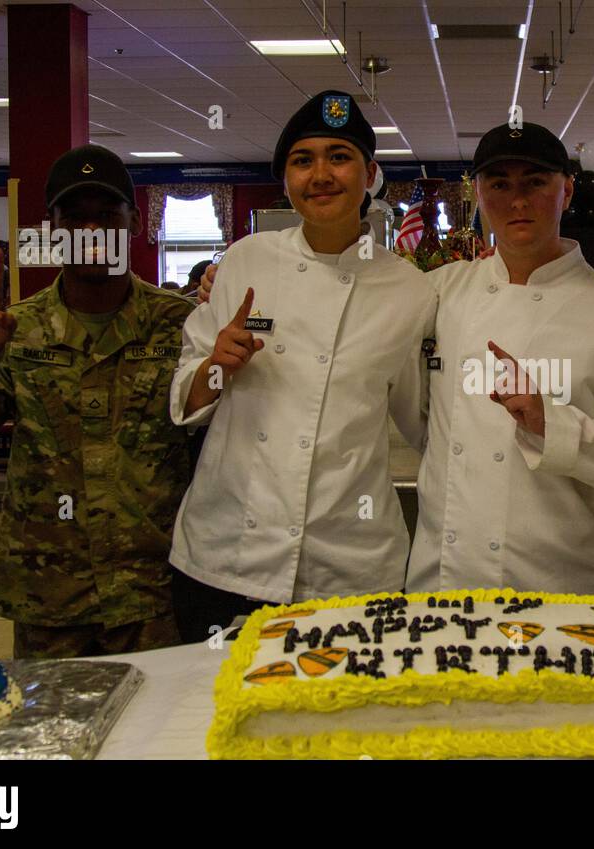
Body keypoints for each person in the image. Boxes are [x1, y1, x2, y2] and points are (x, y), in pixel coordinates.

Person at [168, 91, 435, 640]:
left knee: (341, 720)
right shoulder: (245, 260)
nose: (321, 174)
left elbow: (423, 418)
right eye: (302, 160)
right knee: (212, 715)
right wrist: (216, 366)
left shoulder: (408, 289)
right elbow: (186, 400)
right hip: (228, 553)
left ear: (371, 174)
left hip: (350, 559)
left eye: (339, 156)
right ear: (286, 179)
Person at [0, 144, 195, 659]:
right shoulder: (15, 330)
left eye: (107, 217)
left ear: (134, 223)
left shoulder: (181, 325)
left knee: (160, 737)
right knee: (57, 738)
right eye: (75, 218)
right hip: (49, 596)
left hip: (154, 593)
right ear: (52, 228)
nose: (92, 233)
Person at [404, 123, 594, 594]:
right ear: (479, 193)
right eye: (499, 184)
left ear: (567, 189)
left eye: (535, 182)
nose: (517, 200)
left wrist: (551, 424)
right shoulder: (439, 294)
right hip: (447, 587)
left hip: (572, 589)